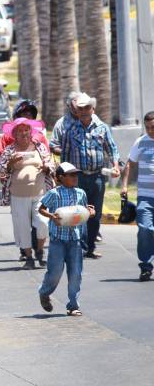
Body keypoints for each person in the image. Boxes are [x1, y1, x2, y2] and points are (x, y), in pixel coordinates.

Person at [51, 92, 120, 259]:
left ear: (93, 109)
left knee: (95, 214)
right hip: (78, 178)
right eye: (80, 108)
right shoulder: (70, 130)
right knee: (79, 212)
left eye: (87, 108)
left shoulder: (102, 127)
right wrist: (63, 177)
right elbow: (65, 155)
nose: (83, 111)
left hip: (97, 177)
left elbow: (112, 149)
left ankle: (90, 247)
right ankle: (80, 247)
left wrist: (116, 166)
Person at [37, 163, 95, 317]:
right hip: (58, 240)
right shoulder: (54, 193)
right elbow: (41, 208)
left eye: (76, 175)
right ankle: (44, 293)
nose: (75, 177)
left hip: (75, 240)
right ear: (61, 177)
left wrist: (90, 212)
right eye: (71, 175)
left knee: (75, 274)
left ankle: (73, 306)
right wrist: (52, 216)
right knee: (55, 272)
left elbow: (84, 210)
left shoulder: (80, 193)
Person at [0, 119, 54, 269]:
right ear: (14, 134)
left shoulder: (39, 147)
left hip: (40, 193)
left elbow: (51, 164)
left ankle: (40, 251)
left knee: (43, 223)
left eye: (26, 130)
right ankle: (29, 257)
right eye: (19, 131)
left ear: (30, 131)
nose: (23, 133)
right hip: (18, 195)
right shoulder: (9, 150)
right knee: (23, 227)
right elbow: (0, 170)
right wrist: (10, 163)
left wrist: (46, 167)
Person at [121, 111, 154, 281]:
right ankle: (146, 266)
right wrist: (124, 185)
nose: (150, 130)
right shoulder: (141, 142)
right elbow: (129, 164)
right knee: (145, 229)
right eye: (147, 127)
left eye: (153, 127)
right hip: (145, 196)